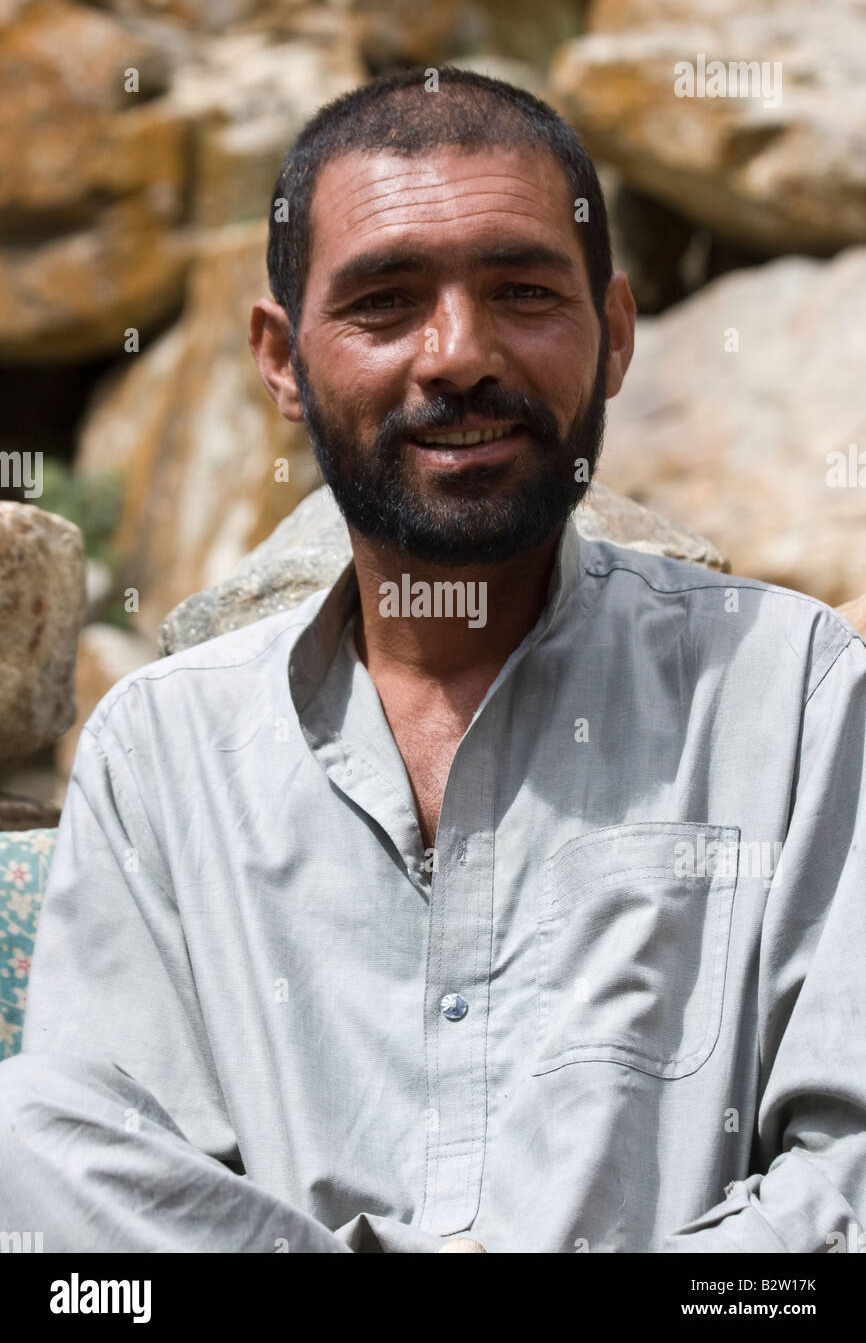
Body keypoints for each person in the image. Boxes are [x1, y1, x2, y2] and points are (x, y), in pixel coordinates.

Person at [1, 66, 865, 1254]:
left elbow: (847, 1178)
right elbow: (94, 1193)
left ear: (612, 336)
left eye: (521, 292)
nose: (457, 355)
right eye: (384, 303)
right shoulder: (166, 751)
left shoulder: (790, 691)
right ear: (277, 359)